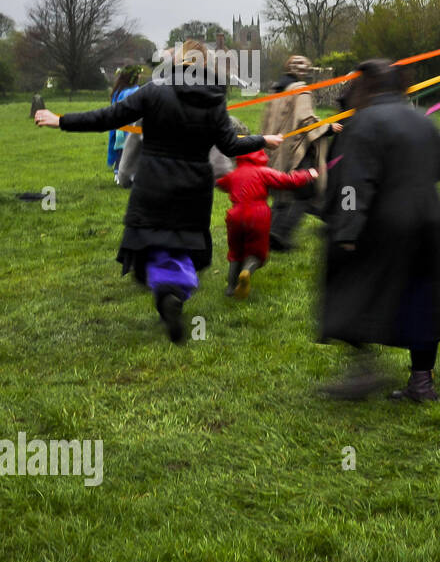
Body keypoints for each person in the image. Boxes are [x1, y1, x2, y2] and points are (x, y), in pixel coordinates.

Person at [34, 40, 282, 342]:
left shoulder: (154, 91)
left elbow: (109, 118)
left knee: (152, 248)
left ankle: (166, 293)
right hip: (193, 190)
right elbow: (230, 144)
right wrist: (262, 139)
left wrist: (61, 120)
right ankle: (174, 292)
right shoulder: (214, 100)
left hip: (153, 184)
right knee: (181, 248)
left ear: (177, 63)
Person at [319, 59, 440, 403]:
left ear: (366, 87)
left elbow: (354, 185)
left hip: (385, 224)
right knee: (423, 296)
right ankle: (422, 383)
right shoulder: (421, 118)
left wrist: (348, 232)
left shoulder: (363, 123)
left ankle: (363, 369)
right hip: (430, 220)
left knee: (349, 287)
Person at [216, 147, 318, 299]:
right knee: (258, 252)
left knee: (235, 252)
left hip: (235, 215)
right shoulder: (263, 172)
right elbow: (288, 180)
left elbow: (220, 183)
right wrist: (308, 174)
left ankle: (231, 288)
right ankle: (247, 271)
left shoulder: (234, 174)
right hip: (258, 214)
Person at [260, 55, 332, 251]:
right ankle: (279, 233)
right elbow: (306, 120)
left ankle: (269, 233)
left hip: (276, 148)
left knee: (283, 192)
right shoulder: (301, 90)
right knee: (303, 192)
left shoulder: (276, 88)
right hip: (294, 149)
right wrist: (328, 128)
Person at [107, 68, 140, 173]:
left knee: (121, 150)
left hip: (120, 128)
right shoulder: (134, 91)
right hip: (131, 128)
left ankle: (118, 171)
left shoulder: (118, 92)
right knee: (131, 151)